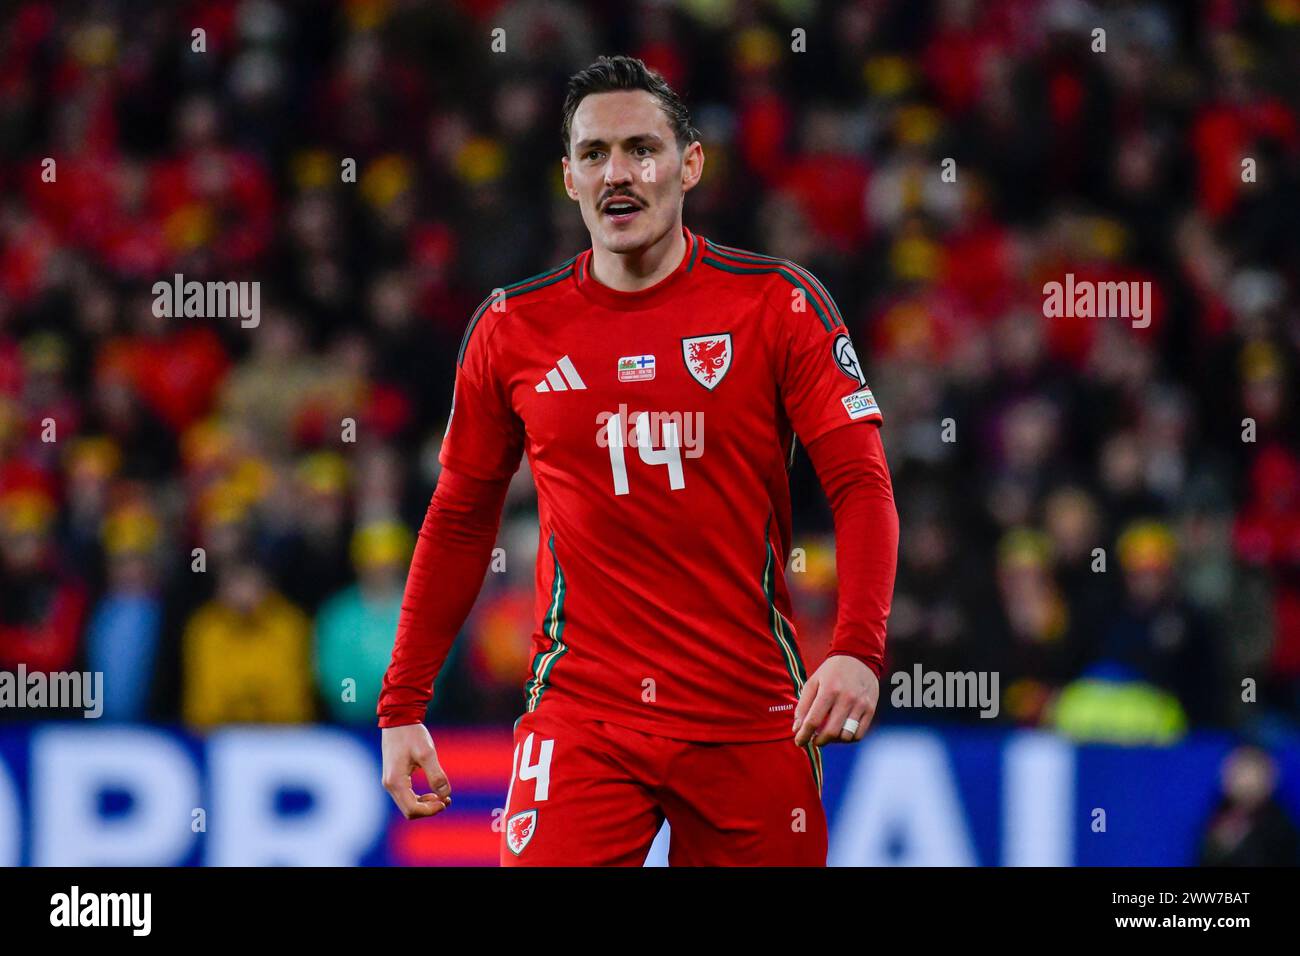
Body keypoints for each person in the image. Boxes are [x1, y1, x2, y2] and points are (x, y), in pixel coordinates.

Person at [378, 55, 899, 866]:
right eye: (594, 154)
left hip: (751, 710)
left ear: (689, 165)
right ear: (568, 177)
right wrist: (403, 703)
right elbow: (457, 518)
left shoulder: (778, 304)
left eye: (641, 149)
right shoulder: (511, 329)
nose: (617, 173)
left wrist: (858, 649)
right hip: (584, 713)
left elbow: (862, 482)